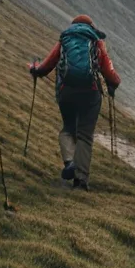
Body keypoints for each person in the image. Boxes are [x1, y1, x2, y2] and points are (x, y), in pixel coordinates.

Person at [30, 15, 120, 191]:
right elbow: (109, 73)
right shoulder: (96, 42)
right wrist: (114, 83)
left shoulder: (65, 39)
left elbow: (46, 66)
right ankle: (80, 182)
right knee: (85, 136)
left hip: (67, 92)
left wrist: (34, 69)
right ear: (91, 26)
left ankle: (70, 162)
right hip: (90, 93)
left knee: (67, 129)